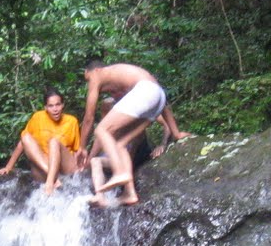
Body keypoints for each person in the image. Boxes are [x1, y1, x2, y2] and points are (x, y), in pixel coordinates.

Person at [79, 60, 189, 206]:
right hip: (159, 97)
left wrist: (81, 148)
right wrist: (176, 133)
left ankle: (119, 172)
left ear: (95, 71)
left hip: (148, 93)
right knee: (121, 144)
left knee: (101, 129)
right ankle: (129, 193)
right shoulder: (128, 79)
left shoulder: (97, 75)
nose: (90, 83)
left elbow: (89, 118)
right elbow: (161, 100)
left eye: (88, 79)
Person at [0, 90, 85, 194]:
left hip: (63, 168)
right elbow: (23, 143)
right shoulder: (38, 117)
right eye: (51, 106)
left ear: (63, 105)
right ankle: (53, 180)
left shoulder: (72, 121)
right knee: (26, 137)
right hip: (43, 168)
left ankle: (51, 182)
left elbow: (77, 150)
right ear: (45, 108)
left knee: (54, 142)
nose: (55, 109)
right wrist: (8, 167)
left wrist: (82, 168)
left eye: (58, 105)